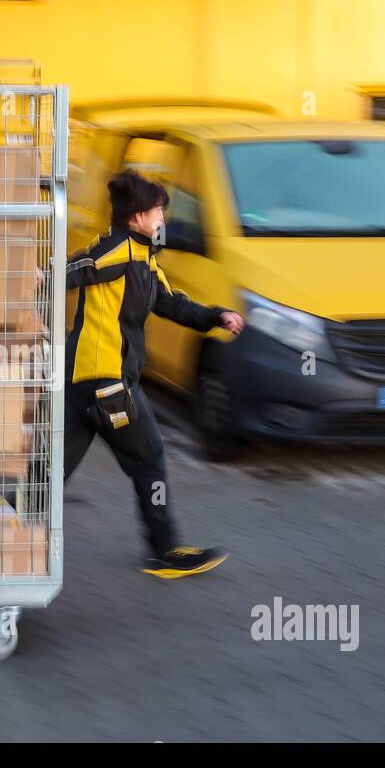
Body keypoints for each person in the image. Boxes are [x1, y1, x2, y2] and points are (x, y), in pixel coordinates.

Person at [63, 169, 245, 579]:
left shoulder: (143, 258)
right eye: (158, 210)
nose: (163, 217)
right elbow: (84, 265)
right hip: (106, 382)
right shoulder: (119, 250)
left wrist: (216, 316)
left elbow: (171, 303)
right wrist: (46, 275)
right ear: (137, 217)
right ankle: (165, 551)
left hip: (82, 381)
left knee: (50, 471)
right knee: (149, 459)